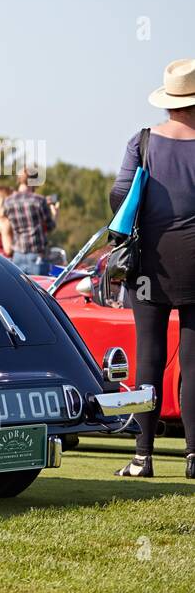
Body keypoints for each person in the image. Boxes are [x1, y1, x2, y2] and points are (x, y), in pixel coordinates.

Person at [112, 58, 195, 479]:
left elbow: (119, 196)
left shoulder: (143, 141)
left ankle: (143, 457)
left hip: (151, 261)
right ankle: (194, 456)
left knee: (149, 357)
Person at [2, 166, 57, 275]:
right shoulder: (39, 201)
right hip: (36, 256)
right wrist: (55, 215)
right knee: (38, 290)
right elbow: (50, 227)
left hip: (17, 255)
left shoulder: (8, 201)